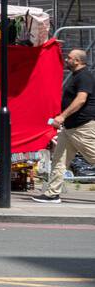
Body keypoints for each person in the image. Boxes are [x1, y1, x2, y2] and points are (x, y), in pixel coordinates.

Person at [34, 48, 95, 204]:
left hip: (82, 126)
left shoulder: (85, 76)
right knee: (59, 160)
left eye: (69, 58)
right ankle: (52, 194)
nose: (66, 60)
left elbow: (81, 99)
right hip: (70, 128)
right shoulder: (76, 76)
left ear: (78, 61)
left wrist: (62, 116)